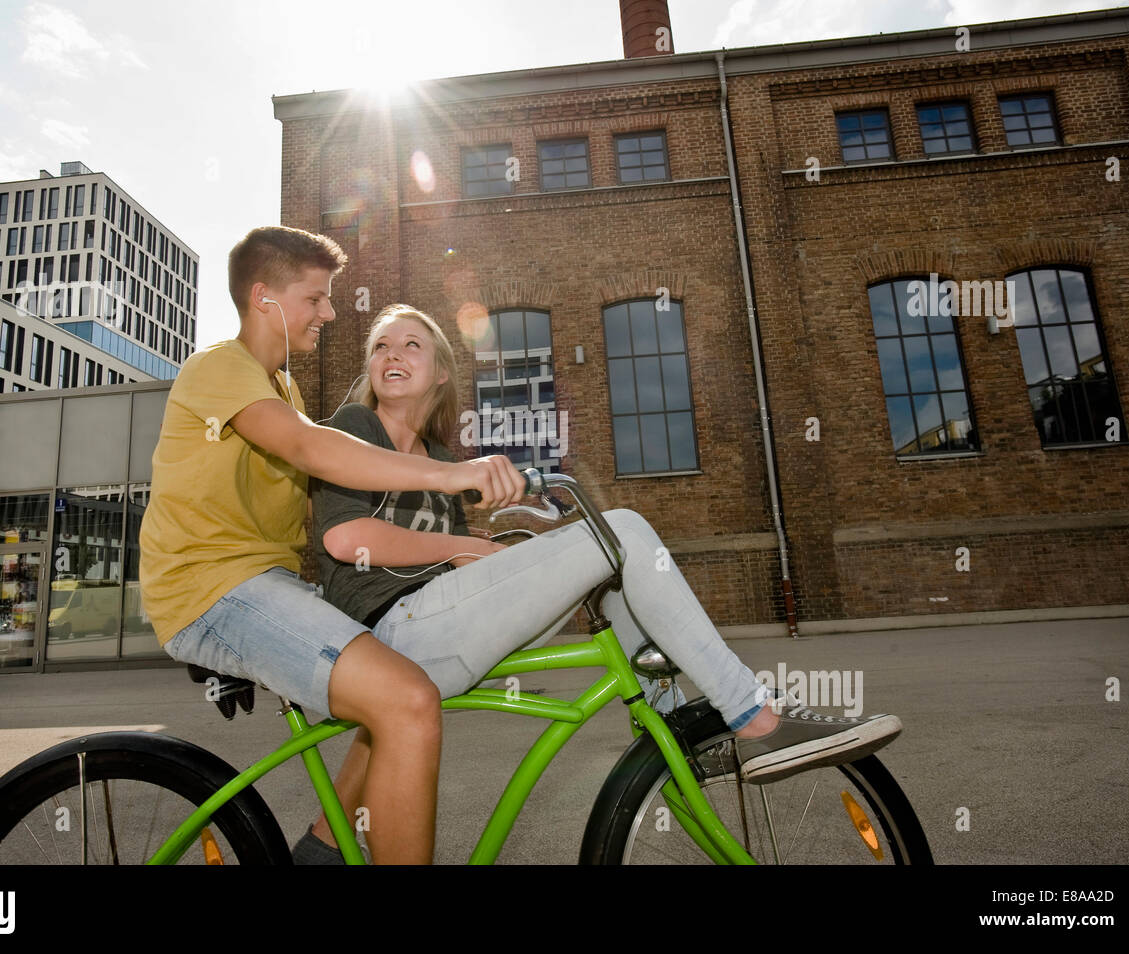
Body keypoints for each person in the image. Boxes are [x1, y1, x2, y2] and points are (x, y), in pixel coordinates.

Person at [298, 303, 903, 863]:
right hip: (388, 637)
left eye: (412, 344)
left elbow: (455, 565)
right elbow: (348, 542)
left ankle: (674, 729)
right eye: (381, 346)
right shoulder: (355, 427)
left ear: (439, 375)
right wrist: (468, 546)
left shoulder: (437, 458)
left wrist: (516, 554)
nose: (393, 354)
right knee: (626, 534)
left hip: (437, 629)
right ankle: (753, 717)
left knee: (609, 565)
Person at [138, 228, 526, 865]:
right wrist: (455, 473)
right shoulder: (220, 368)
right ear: (264, 299)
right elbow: (314, 449)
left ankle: (320, 853)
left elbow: (343, 480)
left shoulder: (282, 390)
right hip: (216, 590)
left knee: (394, 690)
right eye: (316, 298)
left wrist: (460, 535)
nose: (330, 312)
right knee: (407, 701)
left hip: (270, 588)